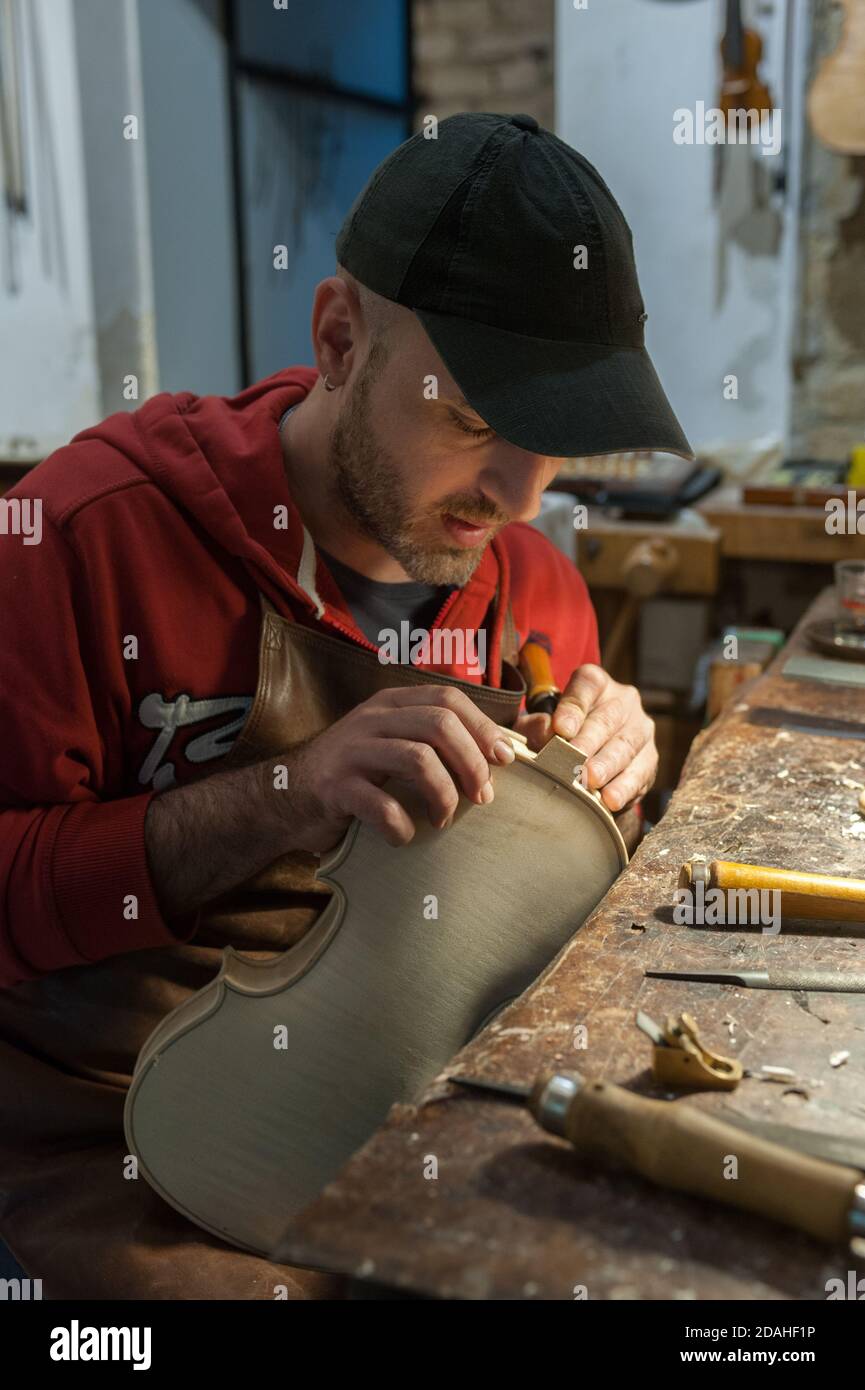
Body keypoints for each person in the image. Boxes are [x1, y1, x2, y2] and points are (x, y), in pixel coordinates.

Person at [0, 112, 691, 1298]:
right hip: (116, 1158)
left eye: (554, 448)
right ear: (337, 337)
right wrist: (286, 790)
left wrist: (620, 781)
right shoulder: (81, 538)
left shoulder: (531, 585)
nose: (515, 497)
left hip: (391, 1120)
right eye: (474, 423)